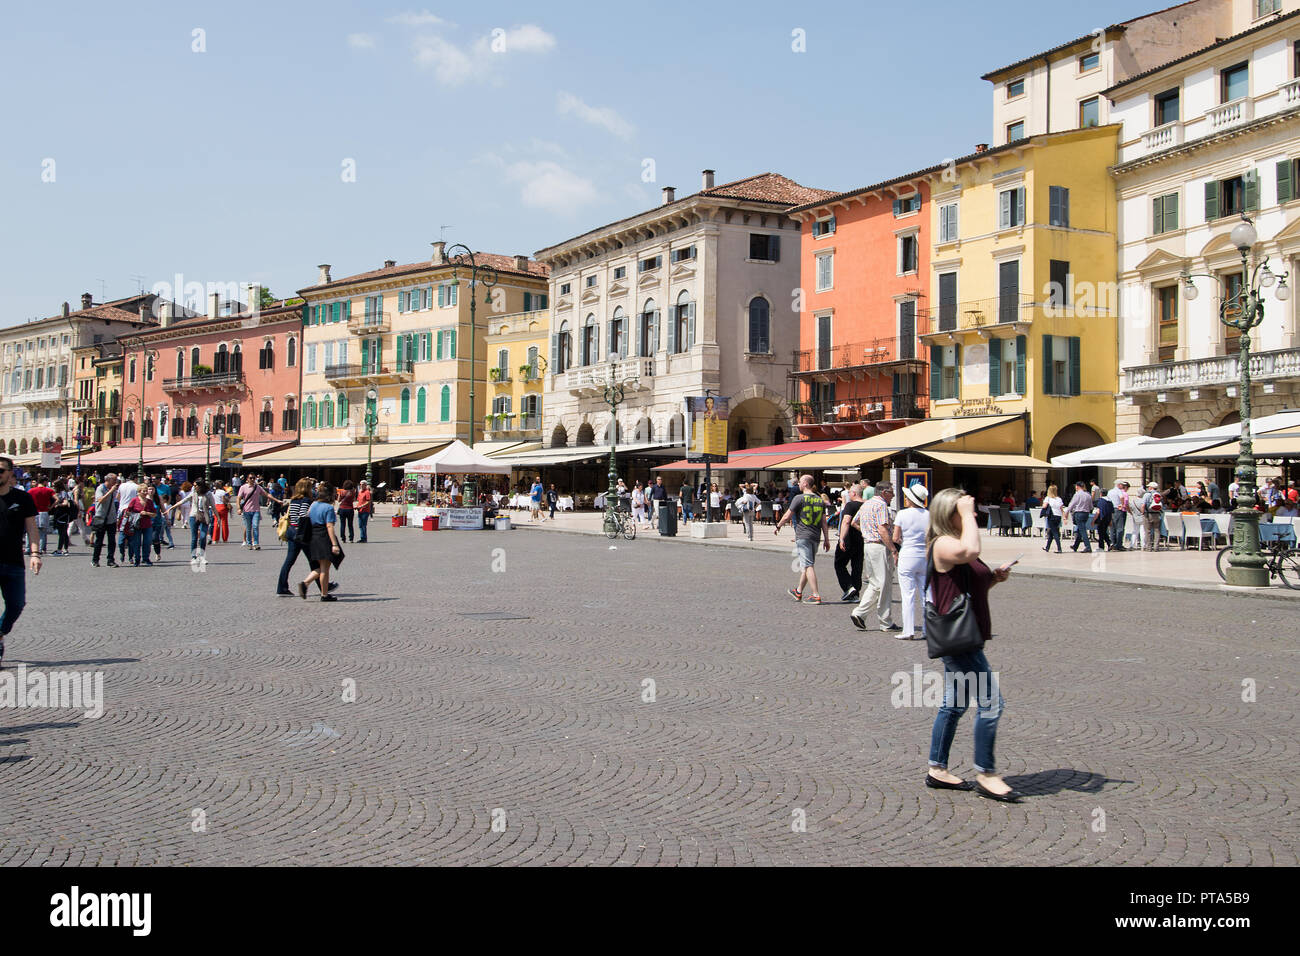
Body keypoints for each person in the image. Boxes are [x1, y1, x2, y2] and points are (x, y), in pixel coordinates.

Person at [923, 488, 1017, 801]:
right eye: (966, 510)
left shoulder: (957, 542)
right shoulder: (944, 543)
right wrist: (966, 513)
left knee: (954, 704)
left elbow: (967, 581)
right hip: (959, 641)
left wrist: (993, 578)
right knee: (992, 704)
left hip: (966, 634)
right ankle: (986, 773)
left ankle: (937, 768)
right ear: (949, 515)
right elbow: (970, 553)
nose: (973, 514)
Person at [0, 456, 41, 667]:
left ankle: (0, 632)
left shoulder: (22, 498)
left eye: (1, 470)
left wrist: (35, 553)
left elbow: (32, 528)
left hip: (13, 561)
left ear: (10, 474)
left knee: (16, 604)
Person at [774, 473, 830, 603]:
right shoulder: (819, 499)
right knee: (807, 564)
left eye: (800, 482)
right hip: (816, 536)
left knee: (808, 565)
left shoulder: (799, 498)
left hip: (803, 536)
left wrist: (778, 526)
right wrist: (826, 539)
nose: (798, 484)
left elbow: (788, 515)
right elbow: (823, 522)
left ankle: (816, 595)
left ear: (805, 484)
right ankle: (798, 591)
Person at [850, 482, 899, 632]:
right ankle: (886, 621)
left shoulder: (866, 504)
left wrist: (866, 532)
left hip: (869, 545)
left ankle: (859, 613)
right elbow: (882, 528)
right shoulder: (881, 506)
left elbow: (854, 522)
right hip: (879, 546)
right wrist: (893, 549)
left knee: (875, 583)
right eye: (891, 492)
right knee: (884, 584)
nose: (893, 495)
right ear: (884, 492)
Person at [894, 483, 929, 641]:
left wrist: (903, 543)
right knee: (926, 594)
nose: (905, 499)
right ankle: (929, 630)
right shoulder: (929, 515)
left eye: (907, 497)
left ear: (911, 499)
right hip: (924, 555)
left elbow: (895, 537)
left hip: (907, 554)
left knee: (907, 595)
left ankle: (908, 630)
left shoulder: (902, 514)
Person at [300, 483, 343, 602]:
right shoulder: (328, 508)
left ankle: (306, 584)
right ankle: (323, 594)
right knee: (325, 568)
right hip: (324, 537)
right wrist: (334, 544)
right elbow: (329, 526)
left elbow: (308, 516)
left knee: (322, 566)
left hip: (314, 536)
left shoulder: (313, 504)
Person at [277, 478, 317, 596]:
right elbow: (303, 515)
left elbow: (293, 516)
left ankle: (281, 587)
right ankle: (324, 587)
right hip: (302, 534)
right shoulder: (307, 500)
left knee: (289, 561)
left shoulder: (293, 500)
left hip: (292, 531)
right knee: (314, 562)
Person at [834, 483, 865, 603]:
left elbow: (846, 521)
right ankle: (856, 593)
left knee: (839, 564)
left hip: (849, 539)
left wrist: (842, 538)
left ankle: (848, 587)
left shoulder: (850, 505)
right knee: (857, 567)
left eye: (850, 492)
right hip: (861, 539)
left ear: (854, 493)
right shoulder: (866, 505)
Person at [90, 473, 121, 568]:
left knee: (112, 541)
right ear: (108, 480)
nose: (116, 482)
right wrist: (110, 491)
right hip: (101, 517)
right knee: (99, 540)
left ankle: (110, 560)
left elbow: (117, 500)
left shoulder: (114, 490)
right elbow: (100, 500)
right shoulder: (100, 488)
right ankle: (95, 560)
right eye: (114, 480)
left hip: (111, 518)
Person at [238, 475, 268, 550]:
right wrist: (238, 508)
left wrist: (276, 500)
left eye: (253, 478)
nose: (252, 479)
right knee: (248, 528)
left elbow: (266, 494)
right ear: (247, 479)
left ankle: (256, 543)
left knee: (255, 526)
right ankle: (249, 543)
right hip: (246, 510)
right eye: (250, 478)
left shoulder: (258, 487)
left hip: (256, 510)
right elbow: (238, 498)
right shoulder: (243, 487)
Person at [1066, 480, 1094, 553]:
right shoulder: (1088, 495)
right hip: (1086, 514)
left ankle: (1088, 547)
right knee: (1080, 530)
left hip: (1079, 513)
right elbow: (1091, 507)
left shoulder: (1077, 494)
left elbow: (1072, 504)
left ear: (1077, 487)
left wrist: (1067, 512)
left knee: (1082, 530)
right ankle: (1075, 546)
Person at [29, 475, 53, 555]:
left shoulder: (31, 490)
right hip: (44, 512)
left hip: (34, 512)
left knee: (32, 531)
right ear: (45, 482)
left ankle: (28, 548)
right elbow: (57, 499)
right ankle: (41, 549)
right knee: (43, 532)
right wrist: (51, 507)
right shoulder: (49, 490)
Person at [50, 483, 75, 556]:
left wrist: (58, 505)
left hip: (63, 515)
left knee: (62, 533)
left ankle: (59, 549)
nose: (53, 487)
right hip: (61, 515)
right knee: (64, 533)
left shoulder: (63, 493)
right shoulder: (60, 493)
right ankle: (65, 549)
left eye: (54, 486)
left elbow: (66, 503)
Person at [1105, 481, 1128, 551]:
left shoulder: (1110, 491)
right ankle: (1119, 545)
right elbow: (1122, 498)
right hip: (1118, 509)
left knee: (1112, 528)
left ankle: (1112, 544)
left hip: (1111, 510)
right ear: (1119, 485)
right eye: (1122, 485)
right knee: (1119, 528)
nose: (1123, 486)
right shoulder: (1119, 491)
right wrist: (1123, 505)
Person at [1041, 484, 1064, 554]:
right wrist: (1065, 517)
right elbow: (1061, 508)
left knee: (1055, 532)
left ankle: (1059, 548)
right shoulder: (1059, 499)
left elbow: (1044, 506)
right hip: (1058, 516)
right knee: (1052, 532)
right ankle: (1047, 547)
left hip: (1052, 516)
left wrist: (1044, 504)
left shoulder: (1048, 498)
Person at [1142, 481, 1164, 551]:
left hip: (1148, 514)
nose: (1148, 488)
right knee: (1157, 530)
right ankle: (1156, 547)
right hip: (1157, 514)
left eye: (1148, 487)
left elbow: (1143, 505)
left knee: (1147, 531)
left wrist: (1143, 513)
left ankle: (1149, 547)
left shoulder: (1146, 495)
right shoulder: (1159, 495)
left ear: (1151, 487)